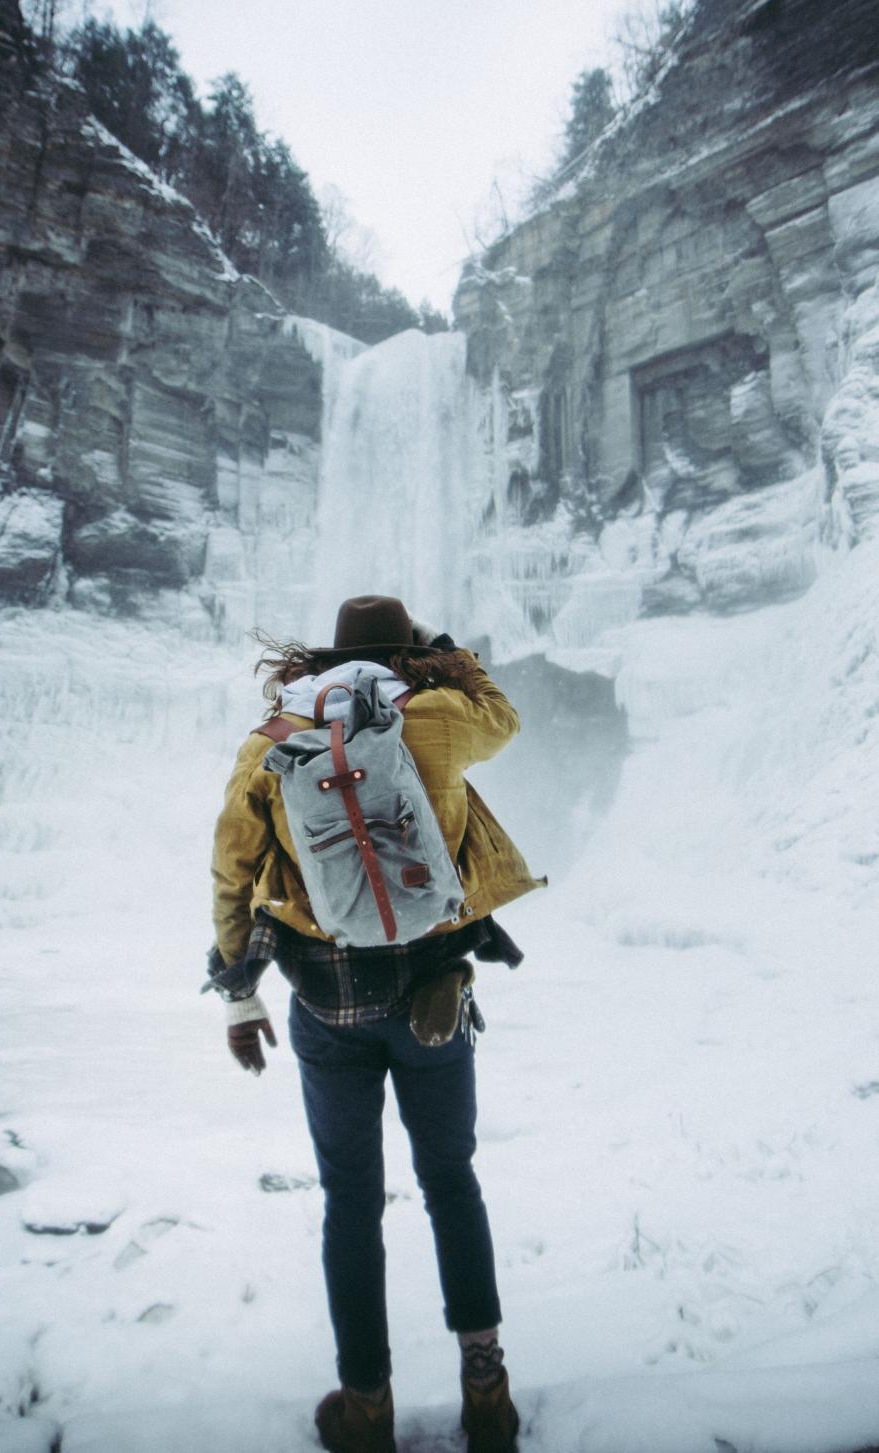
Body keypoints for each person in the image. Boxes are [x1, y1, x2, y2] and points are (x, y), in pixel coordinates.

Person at [206, 594, 545, 1453]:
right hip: (431, 1000)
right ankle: (488, 1395)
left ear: (322, 662)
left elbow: (233, 871)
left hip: (327, 1009)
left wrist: (241, 995)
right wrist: (446, 655)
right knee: (452, 1185)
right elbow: (506, 715)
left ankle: (367, 1407)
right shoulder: (437, 717)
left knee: (350, 1204)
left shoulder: (273, 741)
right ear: (407, 657)